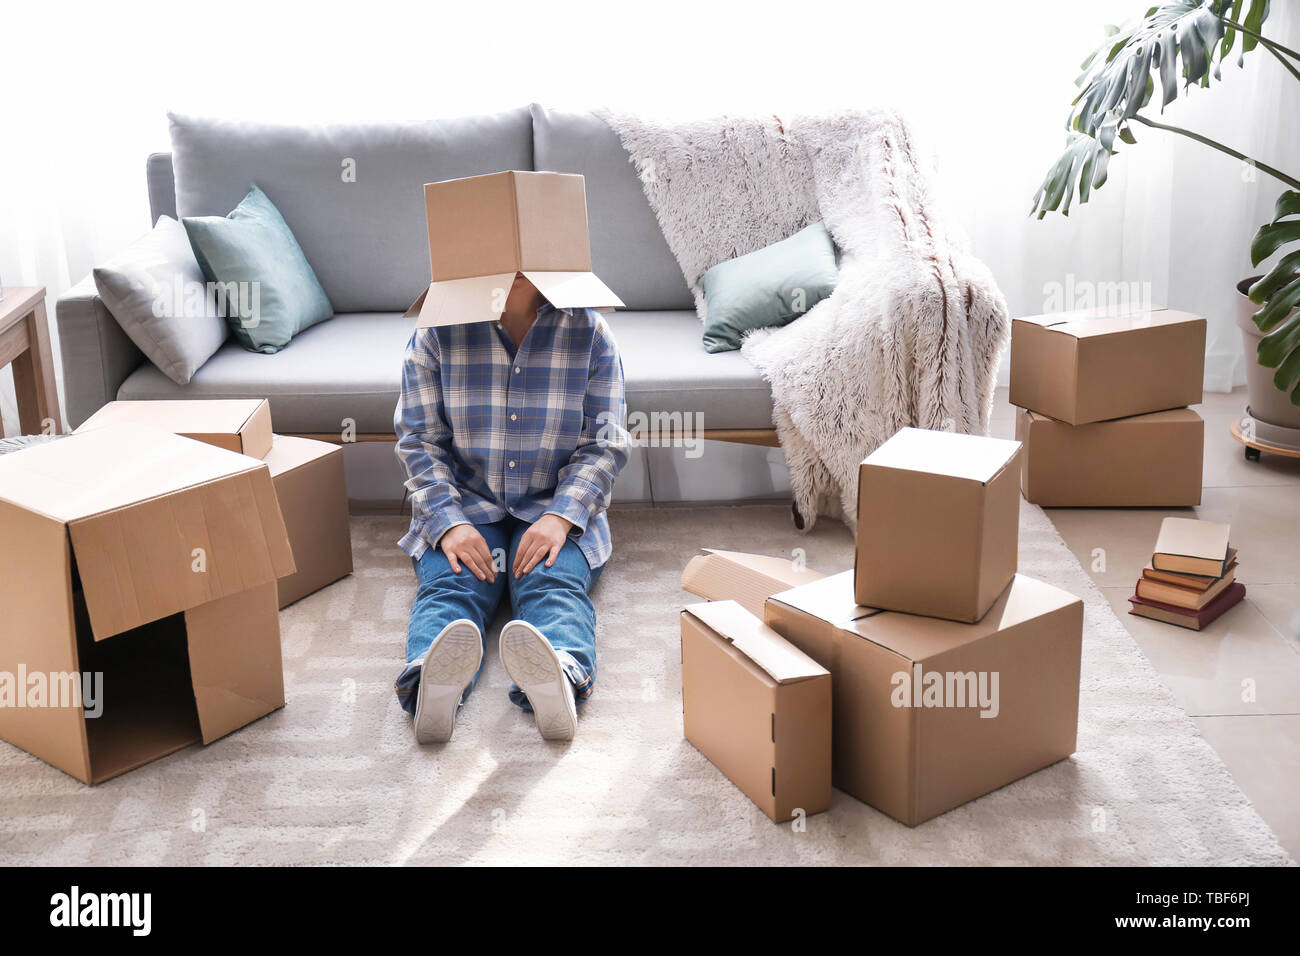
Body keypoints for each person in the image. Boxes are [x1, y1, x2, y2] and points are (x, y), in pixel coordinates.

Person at [393, 272, 629, 743]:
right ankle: (429, 686)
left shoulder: (590, 331)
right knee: (451, 586)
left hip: (552, 505)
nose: (517, 264)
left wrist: (561, 517)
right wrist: (449, 524)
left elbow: (603, 443)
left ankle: (560, 674)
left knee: (551, 580)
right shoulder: (436, 332)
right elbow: (420, 441)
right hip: (464, 504)